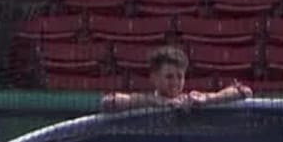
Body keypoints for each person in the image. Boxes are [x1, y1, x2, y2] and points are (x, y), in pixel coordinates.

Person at [99, 46, 252, 112]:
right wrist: (159, 103)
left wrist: (207, 100)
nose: (176, 82)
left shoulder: (191, 101)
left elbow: (244, 92)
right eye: (169, 77)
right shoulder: (144, 103)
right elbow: (108, 102)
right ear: (154, 78)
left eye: (180, 76)